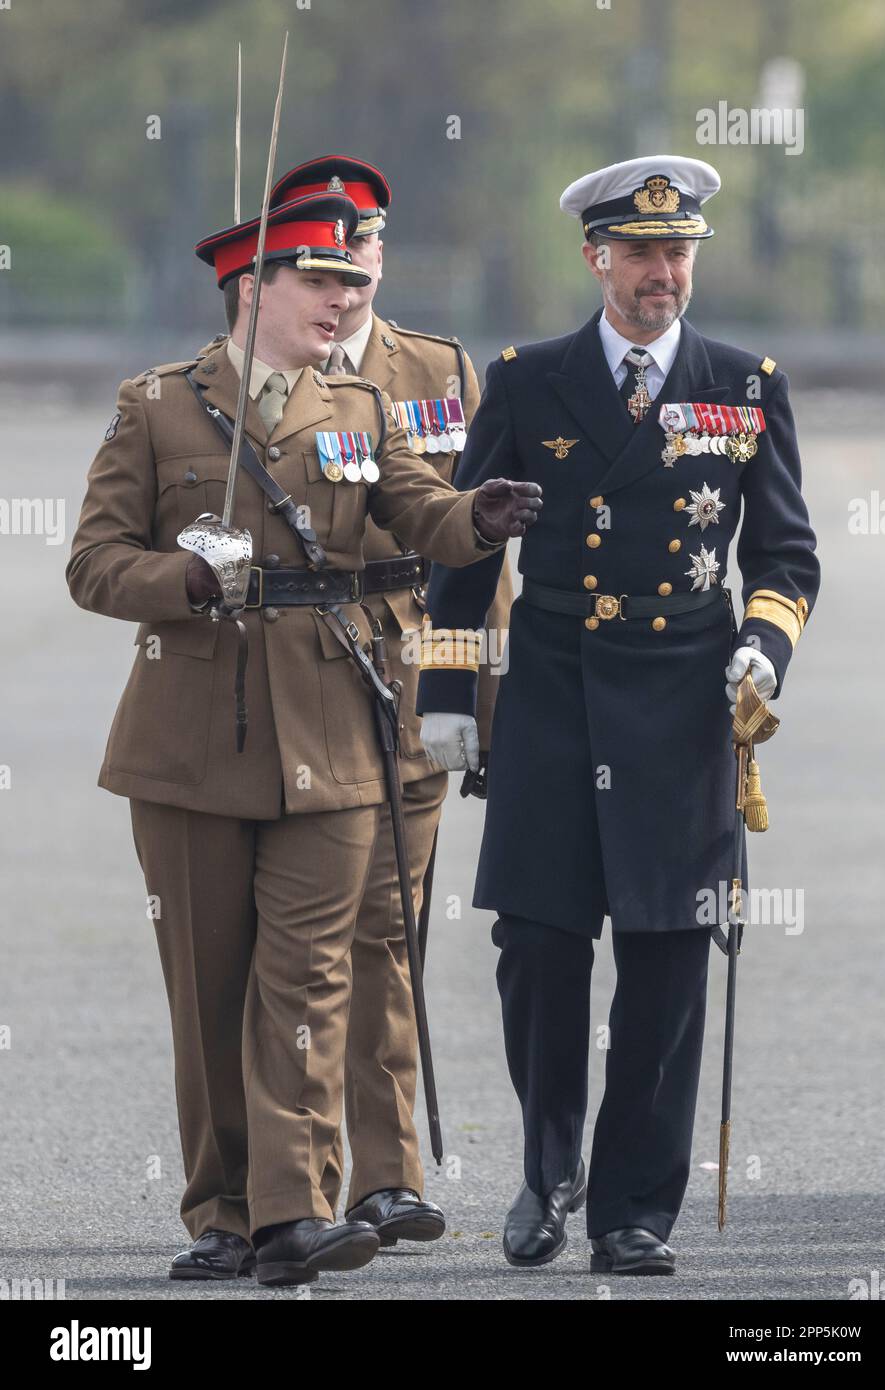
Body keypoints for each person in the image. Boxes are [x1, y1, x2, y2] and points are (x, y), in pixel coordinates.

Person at [65, 189, 540, 1286]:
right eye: (318, 282)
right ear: (253, 289)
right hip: (192, 735)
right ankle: (223, 1210)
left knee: (312, 973)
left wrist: (477, 518)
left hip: (336, 723)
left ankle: (293, 1209)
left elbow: (417, 509)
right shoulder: (156, 408)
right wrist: (181, 576)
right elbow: (92, 564)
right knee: (210, 982)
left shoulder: (363, 407)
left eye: (349, 280)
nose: (343, 298)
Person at [417, 156, 820, 1275]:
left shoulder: (742, 384)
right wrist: (447, 687)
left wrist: (763, 644)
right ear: (595, 257)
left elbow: (784, 552)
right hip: (551, 685)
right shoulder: (528, 377)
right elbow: (464, 542)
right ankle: (549, 1172)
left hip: (685, 693)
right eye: (639, 252)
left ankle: (634, 1207)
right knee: (536, 944)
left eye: (677, 251)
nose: (660, 273)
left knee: (669, 954)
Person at [262, 156, 514, 1244]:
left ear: (380, 252)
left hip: (409, 665)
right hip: (296, 675)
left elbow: (471, 556)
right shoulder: (260, 370)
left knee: (392, 931)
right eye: (321, 256)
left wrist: (473, 692)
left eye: (358, 248)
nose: (346, 273)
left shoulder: (438, 364)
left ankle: (390, 1174)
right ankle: (289, 1189)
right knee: (304, 945)